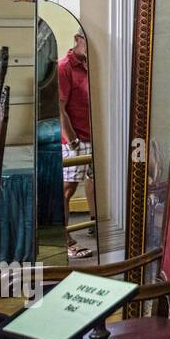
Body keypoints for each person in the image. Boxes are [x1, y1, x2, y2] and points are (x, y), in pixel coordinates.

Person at [58, 31, 94, 259]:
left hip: (96, 136)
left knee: (96, 182)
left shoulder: (94, 65)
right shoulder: (64, 67)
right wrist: (72, 142)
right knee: (68, 189)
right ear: (77, 38)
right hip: (76, 139)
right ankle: (65, 239)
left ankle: (93, 222)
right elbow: (59, 109)